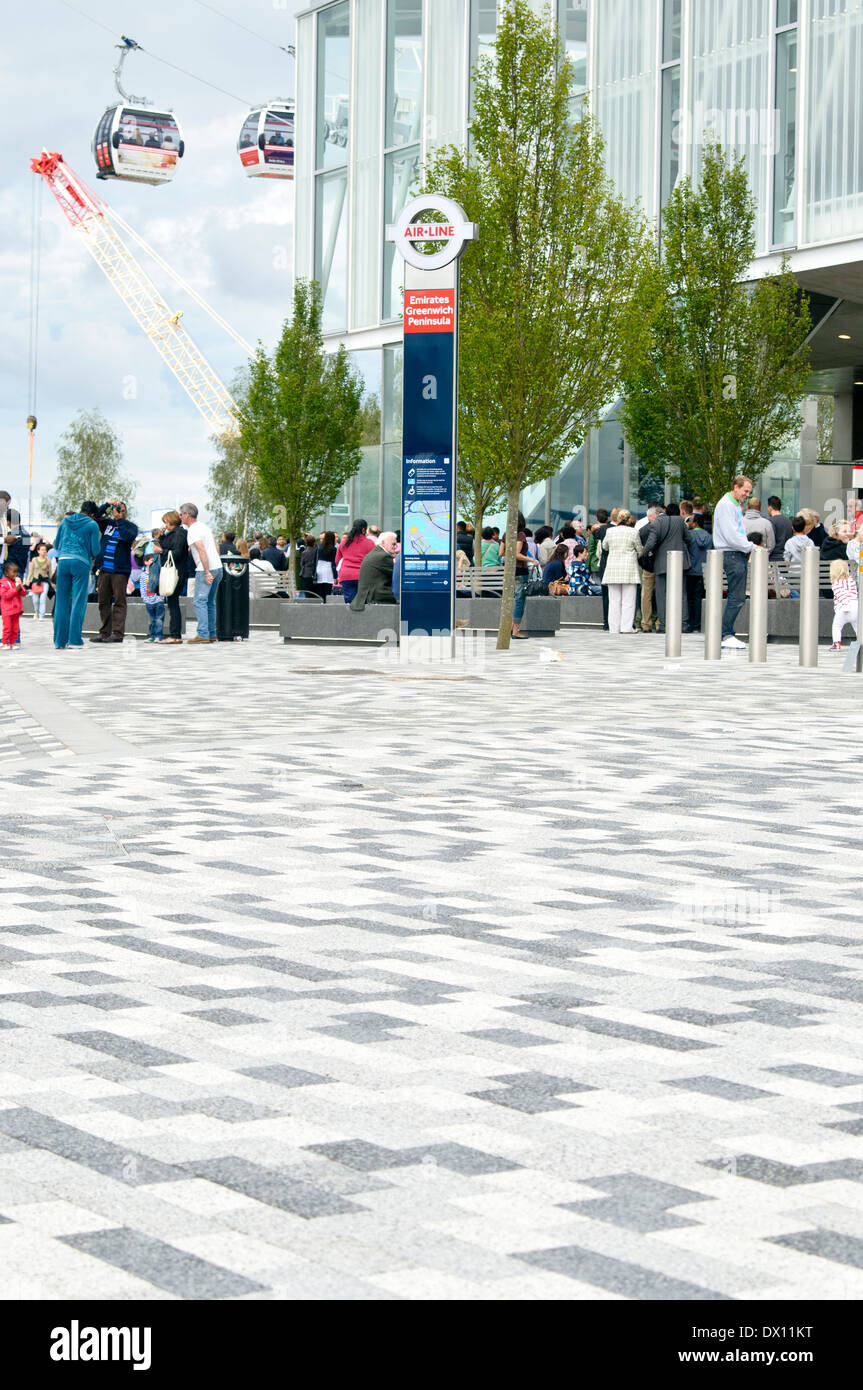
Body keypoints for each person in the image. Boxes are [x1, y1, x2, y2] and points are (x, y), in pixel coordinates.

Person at [713, 476, 756, 650]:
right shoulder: (726, 505)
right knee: (737, 596)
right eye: (745, 491)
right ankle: (725, 634)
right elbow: (731, 534)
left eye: (749, 492)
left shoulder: (734, 505)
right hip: (731, 553)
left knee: (737, 596)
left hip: (734, 552)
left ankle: (725, 633)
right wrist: (751, 546)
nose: (747, 495)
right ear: (735, 488)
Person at [51, 503, 102, 650]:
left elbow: (57, 544)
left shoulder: (65, 521)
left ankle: (59, 641)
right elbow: (96, 549)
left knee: (61, 601)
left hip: (63, 561)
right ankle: (74, 640)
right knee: (79, 601)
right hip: (81, 562)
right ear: (92, 514)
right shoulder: (92, 525)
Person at [91, 500, 139, 643]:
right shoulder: (107, 524)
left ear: (126, 512)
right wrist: (107, 504)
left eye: (122, 509)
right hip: (104, 570)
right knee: (103, 602)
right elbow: (95, 517)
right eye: (117, 509)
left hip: (119, 571)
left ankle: (117, 633)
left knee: (119, 601)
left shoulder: (131, 527)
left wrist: (120, 520)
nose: (119, 511)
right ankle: (104, 632)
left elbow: (126, 536)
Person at [643, 502, 691, 633]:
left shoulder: (656, 524)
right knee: (681, 594)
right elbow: (689, 539)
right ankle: (684, 624)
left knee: (661, 594)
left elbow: (650, 544)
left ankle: (663, 625)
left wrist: (643, 555)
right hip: (680, 563)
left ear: (655, 515)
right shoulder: (679, 520)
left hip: (662, 564)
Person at [179, 503, 222, 644]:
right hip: (218, 567)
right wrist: (215, 563)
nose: (180, 517)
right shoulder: (204, 527)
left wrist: (206, 571)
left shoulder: (192, 530)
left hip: (205, 569)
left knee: (200, 601)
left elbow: (201, 549)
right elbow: (216, 546)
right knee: (210, 602)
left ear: (187, 515)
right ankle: (212, 633)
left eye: (181, 514)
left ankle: (203, 634)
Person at [602, 509, 643, 633]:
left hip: (613, 569)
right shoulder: (633, 532)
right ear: (629, 519)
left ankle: (614, 628)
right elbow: (640, 550)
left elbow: (604, 546)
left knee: (614, 601)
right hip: (629, 569)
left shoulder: (610, 531)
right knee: (628, 601)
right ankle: (626, 627)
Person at [151, 510, 188, 644]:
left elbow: (176, 553)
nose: (164, 525)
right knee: (172, 602)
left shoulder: (179, 534)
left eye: (166, 522)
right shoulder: (173, 533)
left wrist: (161, 551)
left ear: (171, 521)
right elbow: (166, 545)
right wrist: (160, 537)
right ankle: (174, 634)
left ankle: (175, 634)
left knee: (173, 603)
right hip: (174, 571)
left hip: (176, 572)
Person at [499, 512, 531, 639]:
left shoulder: (506, 534)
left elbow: (501, 553)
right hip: (520, 571)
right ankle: (515, 631)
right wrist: (532, 560)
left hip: (508, 571)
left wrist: (509, 550)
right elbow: (517, 554)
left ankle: (510, 628)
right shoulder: (521, 534)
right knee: (519, 600)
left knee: (510, 599)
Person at [350, 532, 399, 611]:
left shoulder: (376, 553)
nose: (395, 547)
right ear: (383, 543)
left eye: (396, 544)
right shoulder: (383, 556)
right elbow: (398, 574)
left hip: (367, 596)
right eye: (393, 544)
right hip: (376, 596)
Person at [636, 503, 664, 632]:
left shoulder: (643, 530)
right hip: (660, 566)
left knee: (645, 596)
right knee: (660, 594)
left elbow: (640, 549)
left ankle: (645, 623)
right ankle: (659, 622)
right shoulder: (664, 528)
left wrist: (642, 562)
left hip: (647, 567)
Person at [335, 520, 376, 605]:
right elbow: (374, 561)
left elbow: (337, 560)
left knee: (349, 604)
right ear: (364, 530)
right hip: (363, 576)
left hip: (346, 576)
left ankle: (350, 618)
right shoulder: (369, 543)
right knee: (362, 604)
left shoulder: (344, 542)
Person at [684, 514, 713, 632]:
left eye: (690, 521)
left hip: (691, 571)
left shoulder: (689, 535)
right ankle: (698, 624)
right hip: (704, 572)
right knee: (699, 598)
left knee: (689, 598)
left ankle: (690, 623)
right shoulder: (709, 537)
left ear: (695, 523)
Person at [829, 559, 858, 651]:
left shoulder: (835, 583)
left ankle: (836, 644)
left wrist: (845, 605)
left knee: (837, 626)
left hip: (844, 608)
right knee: (858, 626)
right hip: (855, 606)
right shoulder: (851, 581)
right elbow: (854, 593)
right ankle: (861, 641)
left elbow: (840, 594)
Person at [138, 554, 166, 641]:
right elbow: (142, 588)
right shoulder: (143, 575)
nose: (153, 563)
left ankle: (158, 636)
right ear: (145, 562)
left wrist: (161, 597)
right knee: (151, 620)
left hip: (158, 600)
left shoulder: (159, 573)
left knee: (159, 620)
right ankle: (152, 636)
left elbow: (162, 586)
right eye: (151, 560)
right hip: (148, 601)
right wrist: (144, 598)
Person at [25, 541, 53, 621]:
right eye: (42, 550)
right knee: (35, 599)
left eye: (45, 550)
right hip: (35, 581)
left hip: (45, 581)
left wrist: (52, 583)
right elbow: (31, 571)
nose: (44, 551)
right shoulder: (34, 560)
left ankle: (42, 615)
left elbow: (50, 573)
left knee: (43, 599)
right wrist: (28, 580)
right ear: (38, 551)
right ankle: (36, 612)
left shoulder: (48, 561)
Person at [0, 562, 24, 649]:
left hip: (16, 610)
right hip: (7, 610)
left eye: (16, 572)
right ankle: (5, 642)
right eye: (13, 572)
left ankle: (13, 642)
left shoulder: (16, 582)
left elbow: (24, 593)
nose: (15, 574)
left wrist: (20, 587)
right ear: (6, 573)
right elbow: (5, 596)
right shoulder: (3, 583)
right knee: (7, 627)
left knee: (15, 628)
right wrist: (15, 590)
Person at [784, 515, 814, 581]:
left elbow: (786, 561)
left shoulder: (789, 542)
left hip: (793, 574)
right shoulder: (810, 542)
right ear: (804, 527)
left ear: (793, 528)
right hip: (806, 574)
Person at [767, 497, 793, 561]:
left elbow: (770, 542)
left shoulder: (771, 521)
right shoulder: (789, 521)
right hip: (787, 558)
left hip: (774, 558)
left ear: (770, 507)